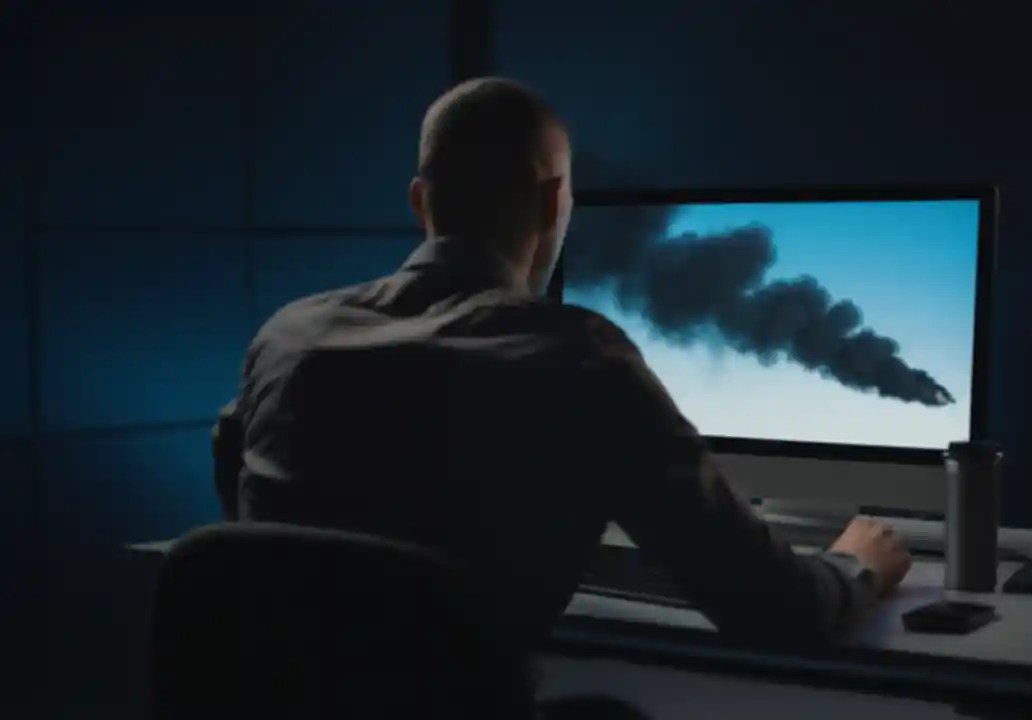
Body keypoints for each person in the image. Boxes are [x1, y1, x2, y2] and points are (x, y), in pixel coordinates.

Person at [214, 77, 911, 650]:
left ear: (420, 201)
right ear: (554, 202)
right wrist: (856, 566)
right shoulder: (580, 361)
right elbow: (773, 610)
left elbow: (240, 481)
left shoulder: (288, 336)